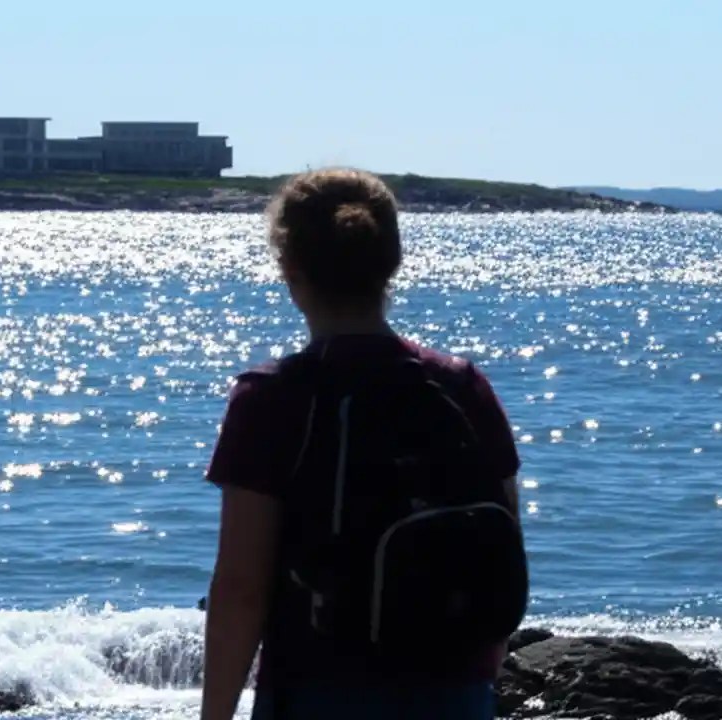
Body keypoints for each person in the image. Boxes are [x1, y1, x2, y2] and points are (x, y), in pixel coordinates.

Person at [200, 168, 526, 720]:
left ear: (289, 270)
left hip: (321, 690)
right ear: (392, 263)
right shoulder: (461, 385)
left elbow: (241, 587)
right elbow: (503, 543)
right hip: (455, 689)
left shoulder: (272, 397)